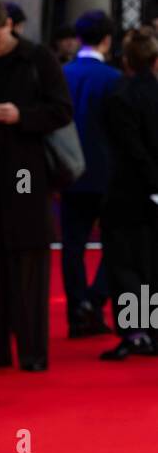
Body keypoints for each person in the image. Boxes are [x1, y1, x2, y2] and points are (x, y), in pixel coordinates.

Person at [0, 0, 73, 371]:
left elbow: (62, 110)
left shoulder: (39, 59)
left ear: (10, 25)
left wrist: (21, 115)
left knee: (29, 268)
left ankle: (32, 352)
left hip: (29, 177)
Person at [99, 27, 158, 360]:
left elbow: (129, 150)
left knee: (125, 268)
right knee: (150, 266)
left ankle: (135, 333)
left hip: (126, 193)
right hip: (149, 194)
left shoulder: (120, 95)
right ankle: (152, 330)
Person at [60, 11, 120, 338]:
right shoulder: (113, 78)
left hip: (70, 172)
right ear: (108, 40)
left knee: (73, 245)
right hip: (107, 173)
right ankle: (95, 301)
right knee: (114, 244)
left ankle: (77, 310)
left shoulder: (62, 73)